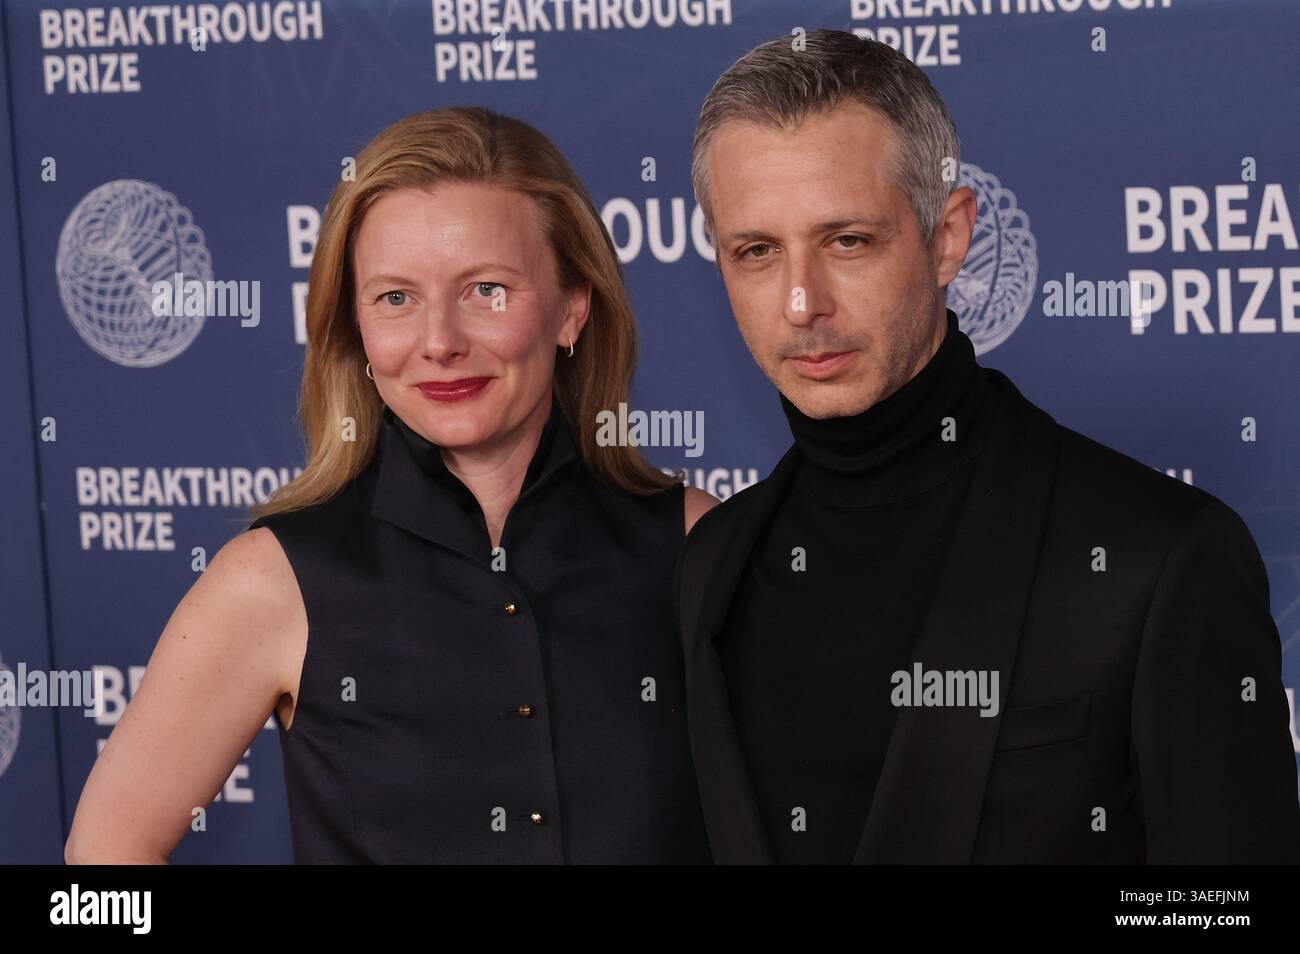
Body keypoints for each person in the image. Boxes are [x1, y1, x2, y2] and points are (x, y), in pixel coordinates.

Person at [676, 30, 1300, 864]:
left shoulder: (1160, 559)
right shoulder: (711, 565)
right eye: (756, 252)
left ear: (948, 237)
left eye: (847, 241)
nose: (800, 303)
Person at [65, 107, 718, 864]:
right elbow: (100, 870)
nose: (439, 342)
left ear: (574, 307)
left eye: (487, 290)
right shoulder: (273, 581)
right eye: (395, 298)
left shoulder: (694, 545)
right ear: (356, 329)